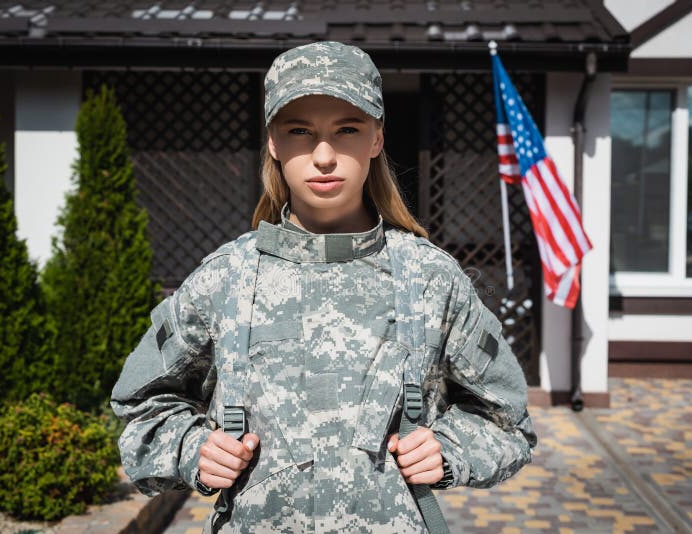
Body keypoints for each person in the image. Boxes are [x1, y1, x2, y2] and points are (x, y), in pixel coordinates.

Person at [110, 40, 537, 533]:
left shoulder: (432, 281)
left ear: (376, 139)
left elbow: (509, 424)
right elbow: (140, 410)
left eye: (347, 130)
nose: (325, 155)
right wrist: (193, 450)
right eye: (300, 132)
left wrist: (450, 450)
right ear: (273, 142)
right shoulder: (222, 280)